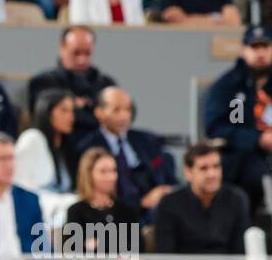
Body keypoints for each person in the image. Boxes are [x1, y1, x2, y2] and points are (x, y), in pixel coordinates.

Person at [203, 25, 272, 212]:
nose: (260, 53)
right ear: (243, 50)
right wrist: (260, 139)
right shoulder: (232, 86)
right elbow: (221, 127)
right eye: (254, 47)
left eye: (265, 47)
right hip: (245, 155)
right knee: (253, 174)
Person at [77, 86, 175, 217]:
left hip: (157, 208)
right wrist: (141, 203)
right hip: (115, 212)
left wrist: (164, 191)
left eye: (128, 109)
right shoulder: (88, 147)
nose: (124, 116)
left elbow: (168, 177)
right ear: (99, 112)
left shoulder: (147, 140)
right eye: (116, 110)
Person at [26, 26, 117, 144]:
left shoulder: (107, 84)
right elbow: (44, 119)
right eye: (76, 53)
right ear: (62, 48)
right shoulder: (42, 82)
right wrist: (94, 111)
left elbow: (116, 117)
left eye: (87, 53)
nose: (82, 60)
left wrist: (81, 107)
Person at [13, 89, 78, 228]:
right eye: (64, 111)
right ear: (47, 112)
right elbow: (21, 187)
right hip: (39, 216)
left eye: (72, 111)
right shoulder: (32, 139)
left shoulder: (66, 147)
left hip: (63, 214)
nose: (71, 117)